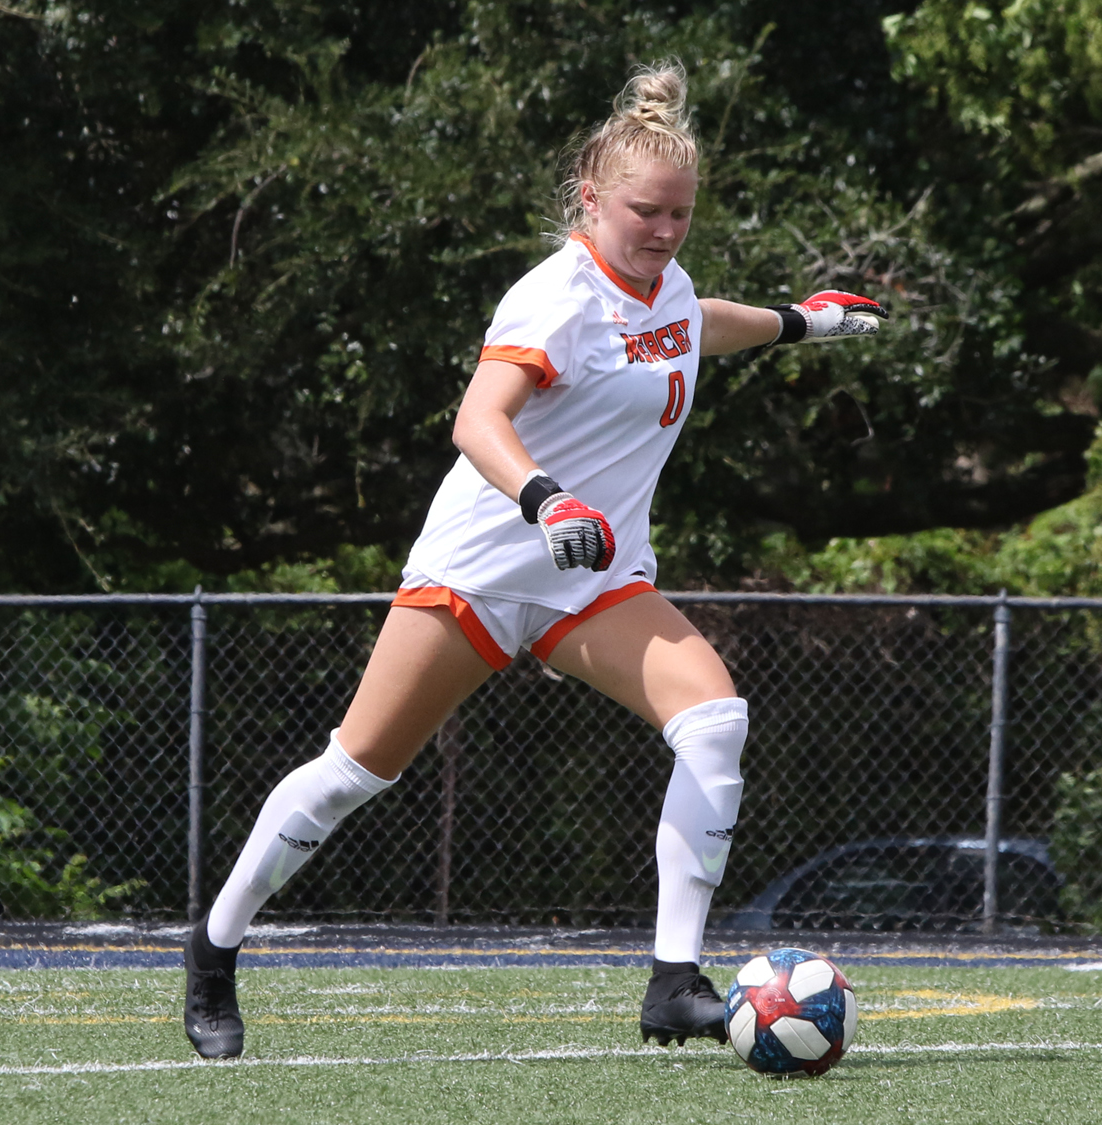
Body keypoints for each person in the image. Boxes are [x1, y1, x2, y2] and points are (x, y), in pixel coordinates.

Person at [182, 61, 886, 1060]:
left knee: (714, 722)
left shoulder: (668, 287)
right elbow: (479, 417)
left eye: (681, 215)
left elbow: (693, 326)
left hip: (591, 583)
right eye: (646, 212)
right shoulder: (554, 298)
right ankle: (212, 950)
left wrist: (803, 322)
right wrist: (543, 497)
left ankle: (671, 984)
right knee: (355, 772)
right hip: (482, 569)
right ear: (591, 198)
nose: (664, 231)